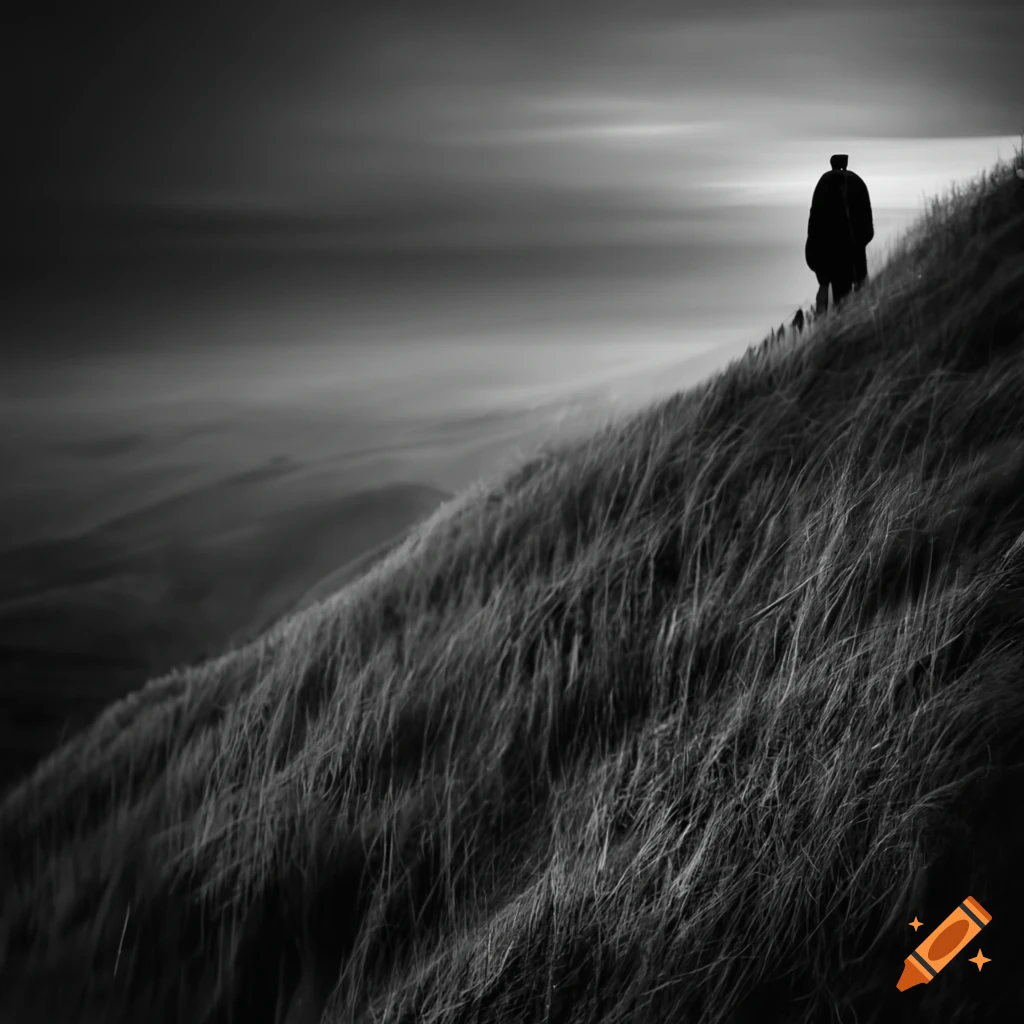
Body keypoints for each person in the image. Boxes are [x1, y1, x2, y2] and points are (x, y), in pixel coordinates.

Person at [805, 154, 874, 316]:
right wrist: (861, 242)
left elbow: (815, 222)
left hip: (833, 254)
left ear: (832, 164)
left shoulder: (824, 183)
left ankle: (839, 330)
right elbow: (867, 222)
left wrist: (814, 255)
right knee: (861, 294)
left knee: (840, 298)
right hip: (856, 252)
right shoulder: (858, 182)